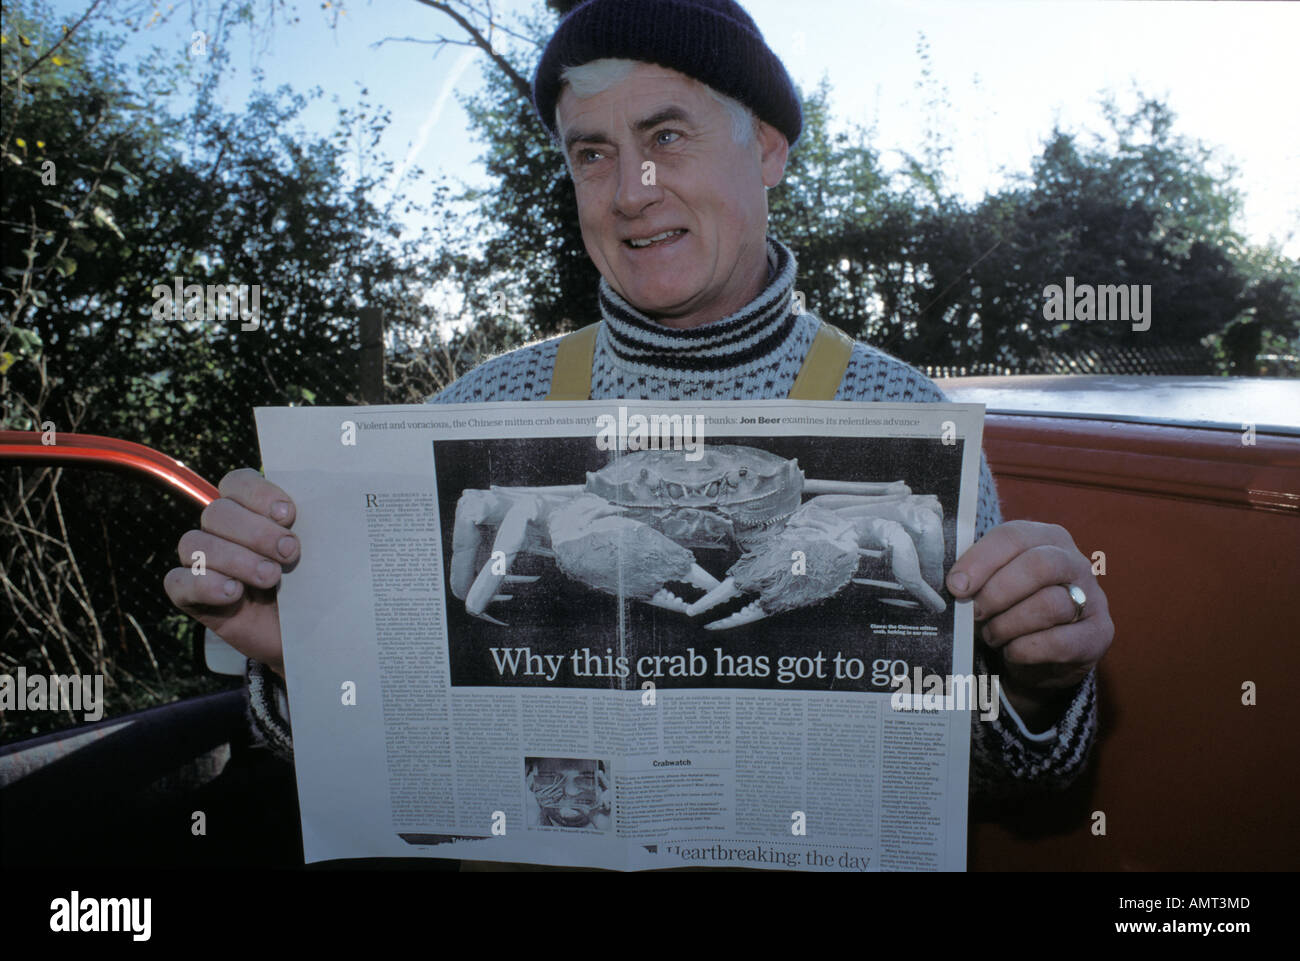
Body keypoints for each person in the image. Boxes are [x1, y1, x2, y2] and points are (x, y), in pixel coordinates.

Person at [165, 0, 1112, 811]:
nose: (631, 192)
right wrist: (305, 660)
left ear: (770, 146)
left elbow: (1015, 790)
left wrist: (1043, 684)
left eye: (666, 136)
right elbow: (365, 768)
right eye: (591, 153)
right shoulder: (472, 411)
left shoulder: (910, 417)